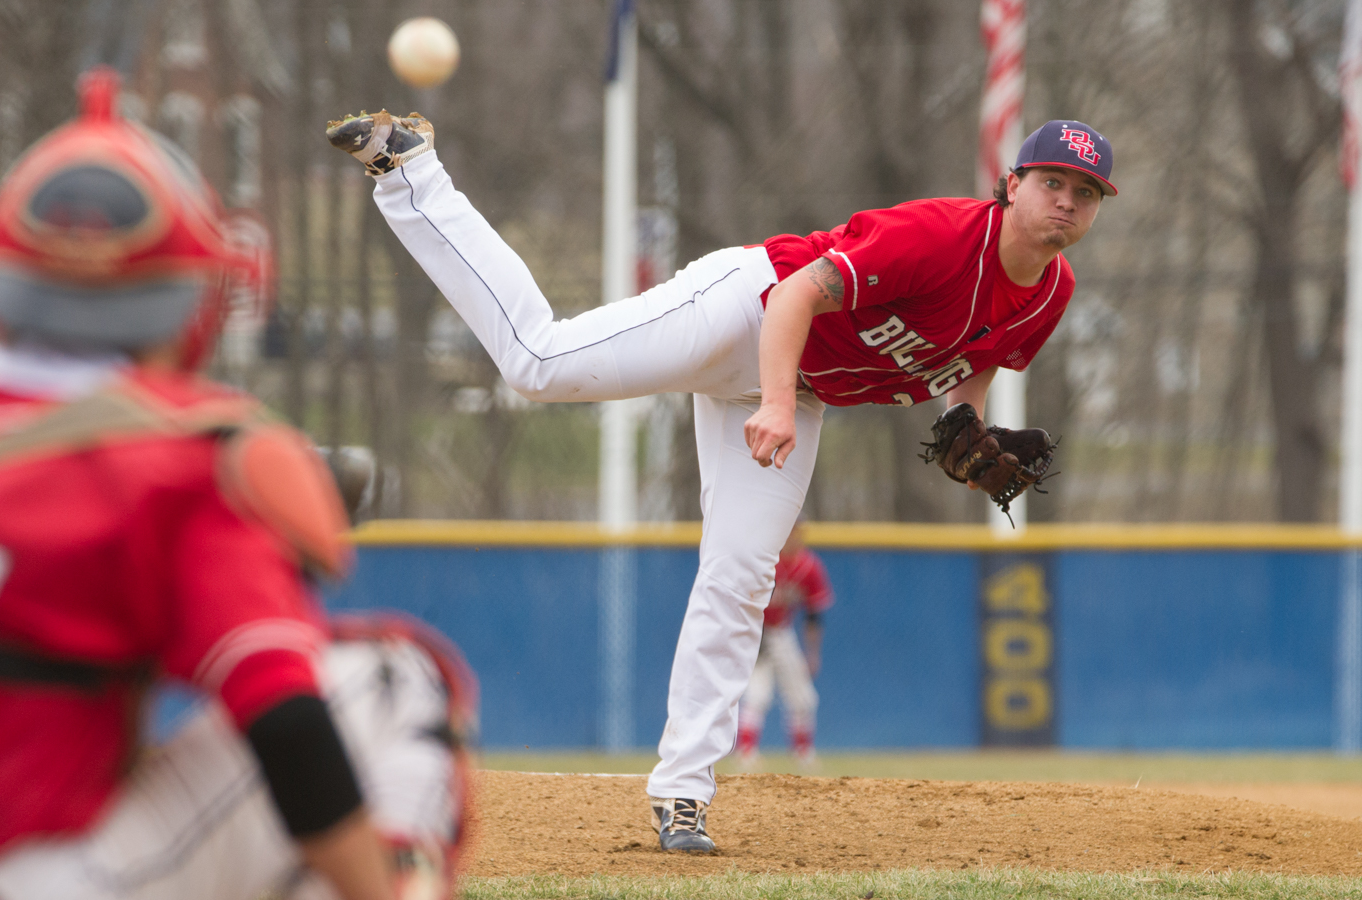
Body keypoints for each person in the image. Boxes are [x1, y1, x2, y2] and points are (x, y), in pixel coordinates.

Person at [328, 109, 1113, 852]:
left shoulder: (1051, 293)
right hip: (749, 308)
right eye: (1052, 182)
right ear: (1013, 184)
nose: (1065, 202)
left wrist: (964, 425)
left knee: (742, 573)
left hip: (800, 390)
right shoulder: (940, 236)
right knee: (540, 363)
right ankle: (409, 170)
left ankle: (683, 793)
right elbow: (802, 291)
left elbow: (975, 361)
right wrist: (772, 400)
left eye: (1085, 194)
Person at [0, 68, 475, 900]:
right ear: (188, 299)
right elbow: (287, 721)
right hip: (27, 877)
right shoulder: (182, 453)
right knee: (393, 675)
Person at [735, 521, 833, 771]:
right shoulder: (765, 561)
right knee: (757, 695)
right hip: (756, 632)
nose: (794, 535)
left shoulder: (809, 566)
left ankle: (803, 752)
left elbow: (814, 614)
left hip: (781, 633)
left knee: (803, 697)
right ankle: (746, 753)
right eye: (790, 529)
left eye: (798, 530)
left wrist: (813, 653)